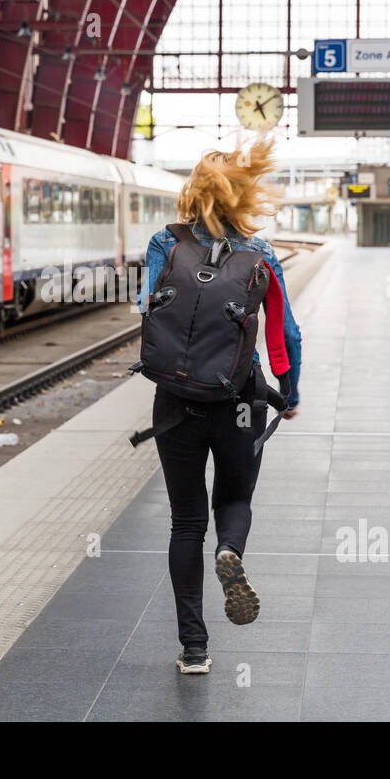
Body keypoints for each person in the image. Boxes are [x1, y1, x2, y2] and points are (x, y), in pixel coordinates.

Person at [136, 138, 302, 675]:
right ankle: (231, 549)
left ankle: (194, 649)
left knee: (185, 521)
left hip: (176, 399)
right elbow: (287, 334)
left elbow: (146, 308)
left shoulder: (165, 241)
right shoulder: (263, 252)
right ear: (244, 195)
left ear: (193, 192)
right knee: (234, 496)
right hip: (240, 399)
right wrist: (289, 391)